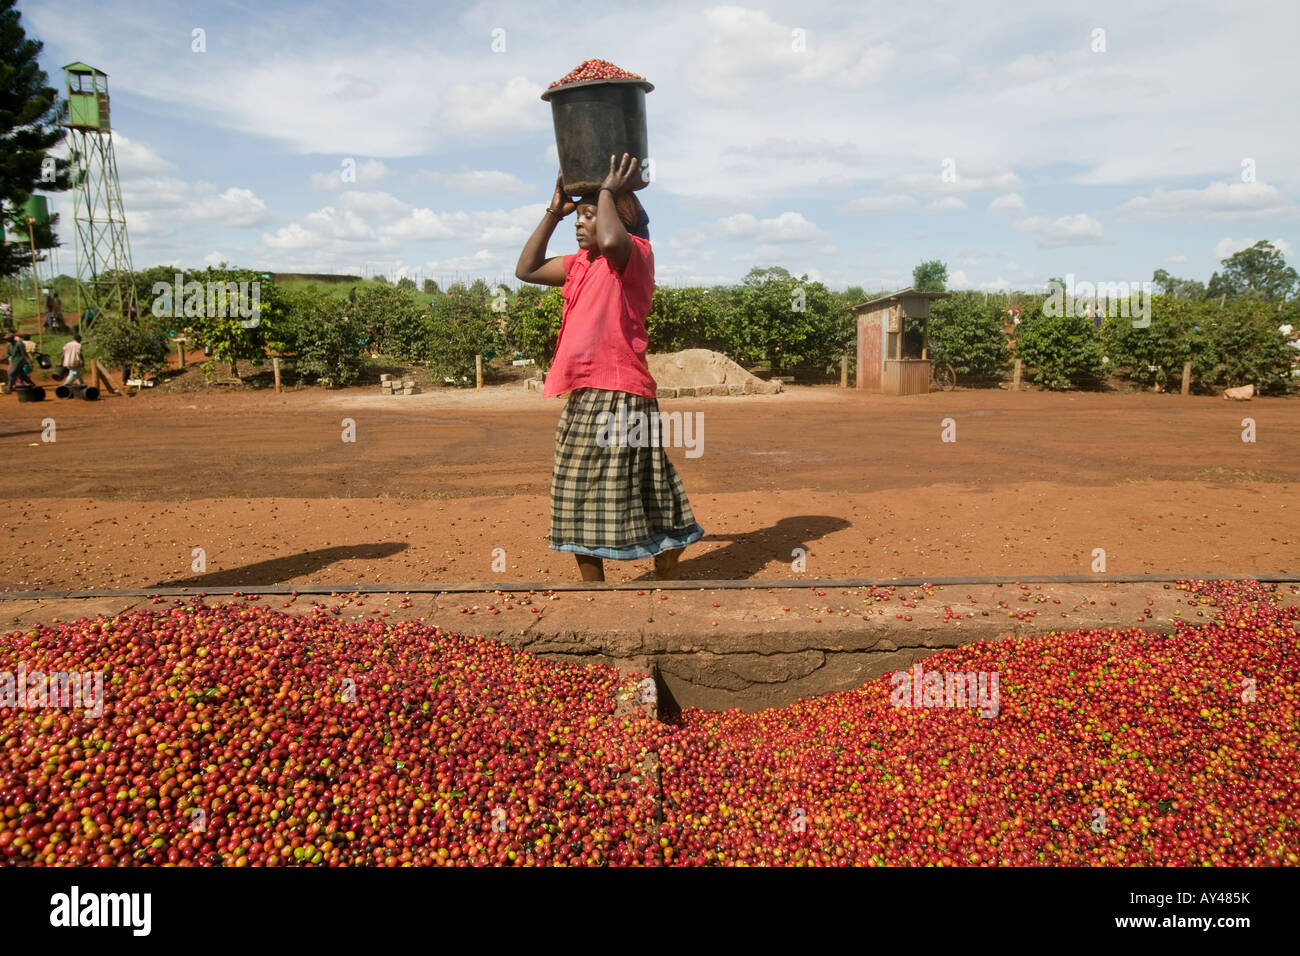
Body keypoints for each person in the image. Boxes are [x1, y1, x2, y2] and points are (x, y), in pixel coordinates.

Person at [515, 155, 702, 582]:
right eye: (577, 218)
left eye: (590, 217)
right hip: (585, 390)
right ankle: (594, 592)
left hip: (621, 391)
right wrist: (554, 210)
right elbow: (525, 269)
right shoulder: (580, 264)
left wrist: (604, 192)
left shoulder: (635, 256)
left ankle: (665, 559)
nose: (580, 224)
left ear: (616, 219)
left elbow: (617, 242)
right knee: (577, 487)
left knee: (635, 482)